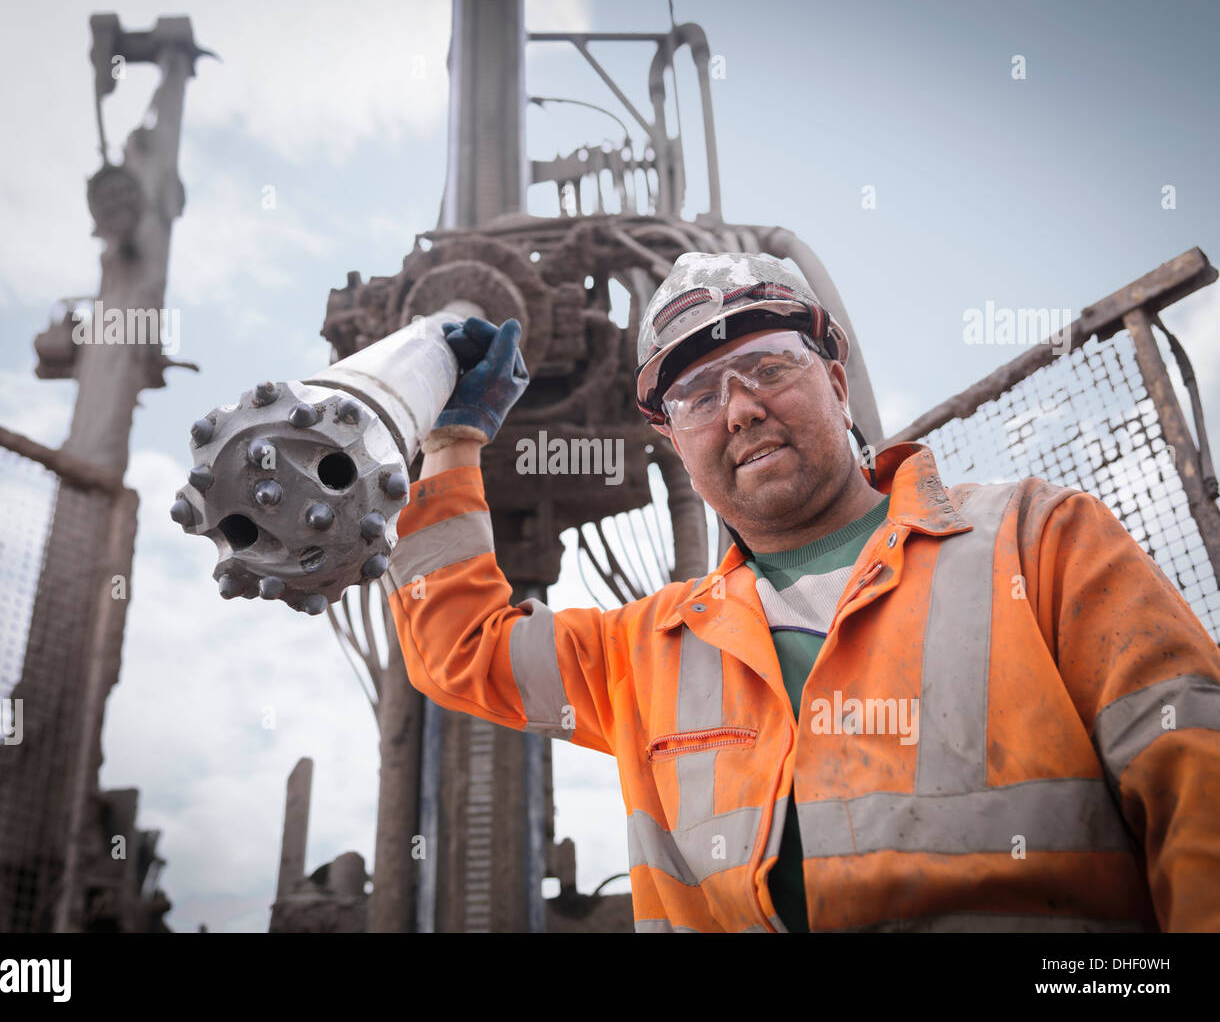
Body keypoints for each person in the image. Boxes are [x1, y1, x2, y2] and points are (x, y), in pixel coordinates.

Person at [382, 251, 1220, 932]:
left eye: (766, 366)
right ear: (676, 443)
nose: (740, 408)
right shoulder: (643, 652)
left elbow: (1199, 787)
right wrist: (453, 442)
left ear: (836, 383)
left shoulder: (1038, 541)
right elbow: (458, 646)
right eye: (699, 395)